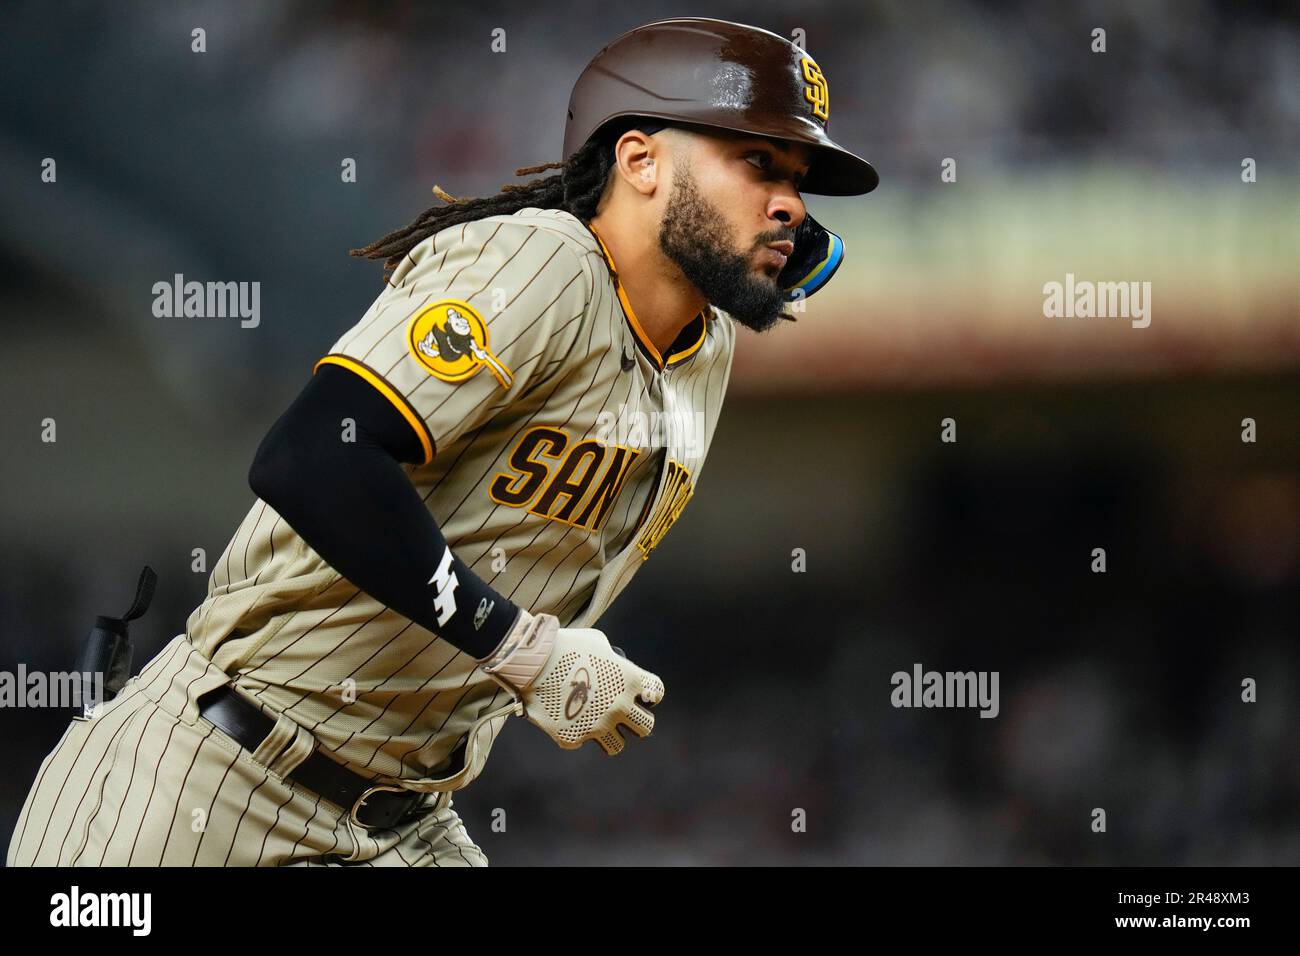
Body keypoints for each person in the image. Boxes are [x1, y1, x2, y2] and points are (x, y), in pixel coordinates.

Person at [7, 16, 876, 867]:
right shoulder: (542, 260)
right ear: (640, 161)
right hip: (207, 784)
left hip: (403, 819)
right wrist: (520, 647)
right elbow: (312, 456)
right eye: (757, 161)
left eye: (800, 178)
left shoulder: (704, 346)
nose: (793, 204)